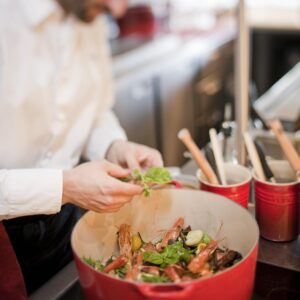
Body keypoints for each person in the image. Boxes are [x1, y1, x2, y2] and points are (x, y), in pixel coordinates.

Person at [0, 0, 163, 296]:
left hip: (68, 221)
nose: (118, 11)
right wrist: (65, 187)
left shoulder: (88, 14)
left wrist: (114, 144)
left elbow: (95, 110)